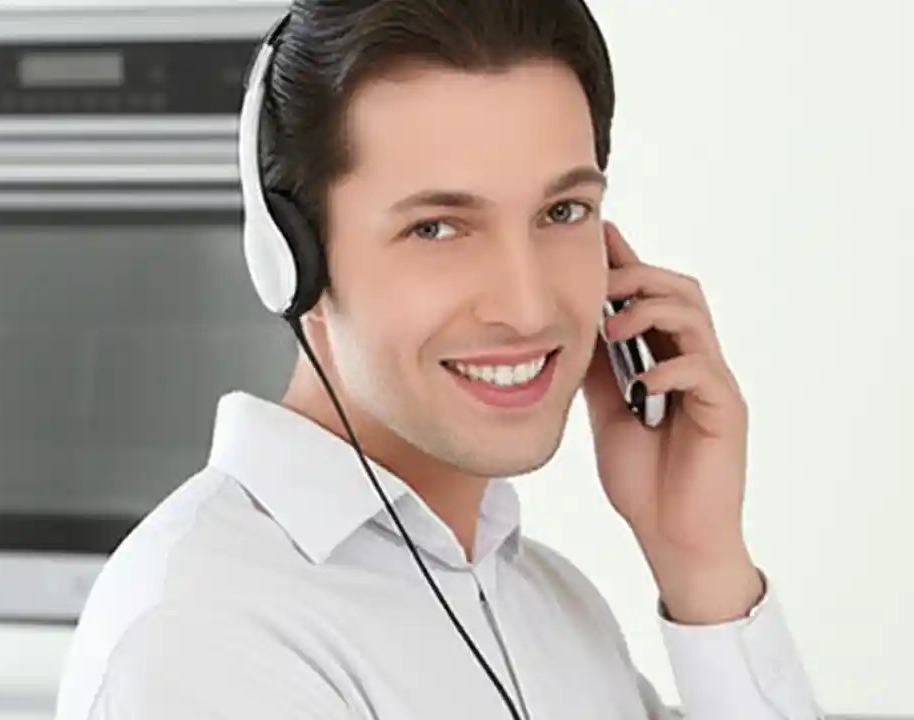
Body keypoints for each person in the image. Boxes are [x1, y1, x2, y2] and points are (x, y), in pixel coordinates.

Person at [54, 1, 822, 718]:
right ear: (295, 262)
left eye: (562, 213)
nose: (526, 306)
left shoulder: (552, 606)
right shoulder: (205, 638)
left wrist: (702, 566)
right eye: (439, 228)